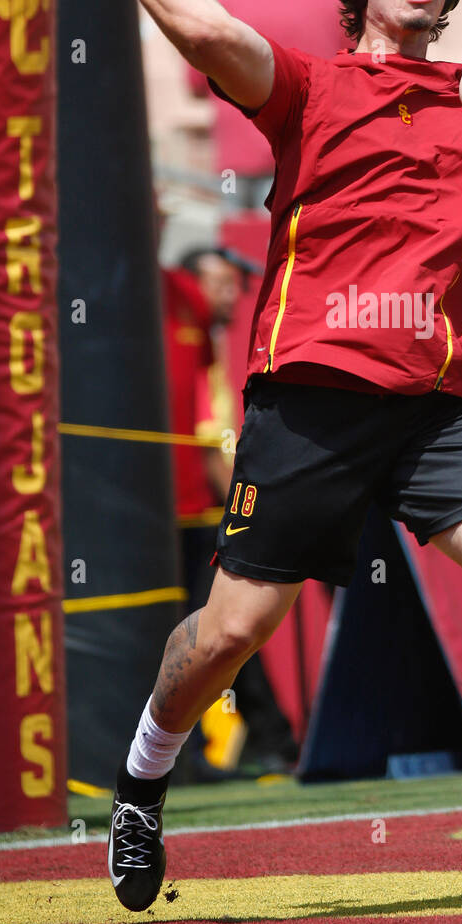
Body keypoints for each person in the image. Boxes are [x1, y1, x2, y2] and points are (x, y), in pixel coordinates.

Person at [79, 0, 462, 917]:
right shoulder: (308, 87)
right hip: (313, 402)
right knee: (232, 631)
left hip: (438, 405)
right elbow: (203, 30)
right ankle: (144, 776)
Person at [164, 246, 297, 778]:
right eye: (217, 283)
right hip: (200, 511)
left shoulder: (209, 342)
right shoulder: (180, 334)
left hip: (208, 507)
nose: (228, 295)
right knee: (217, 629)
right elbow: (203, 437)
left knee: (229, 628)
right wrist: (239, 509)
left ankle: (266, 739)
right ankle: (220, 746)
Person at [185, 0, 348, 209]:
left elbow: (197, 82)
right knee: (293, 247)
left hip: (238, 152)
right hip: (304, 150)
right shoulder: (332, 0)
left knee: (234, 246)